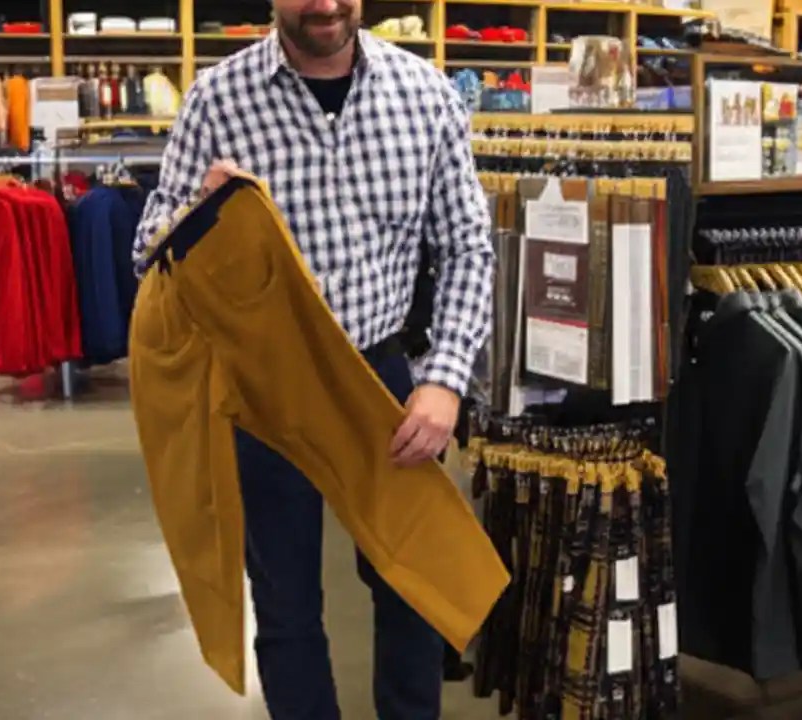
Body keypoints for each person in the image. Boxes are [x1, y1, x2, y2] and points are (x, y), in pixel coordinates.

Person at [131, 0, 495, 717]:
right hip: (266, 387)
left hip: (384, 381)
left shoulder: (425, 94)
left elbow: (467, 247)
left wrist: (447, 380)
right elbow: (148, 246)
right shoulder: (217, 99)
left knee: (414, 587)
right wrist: (198, 216)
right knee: (287, 606)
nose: (326, 5)